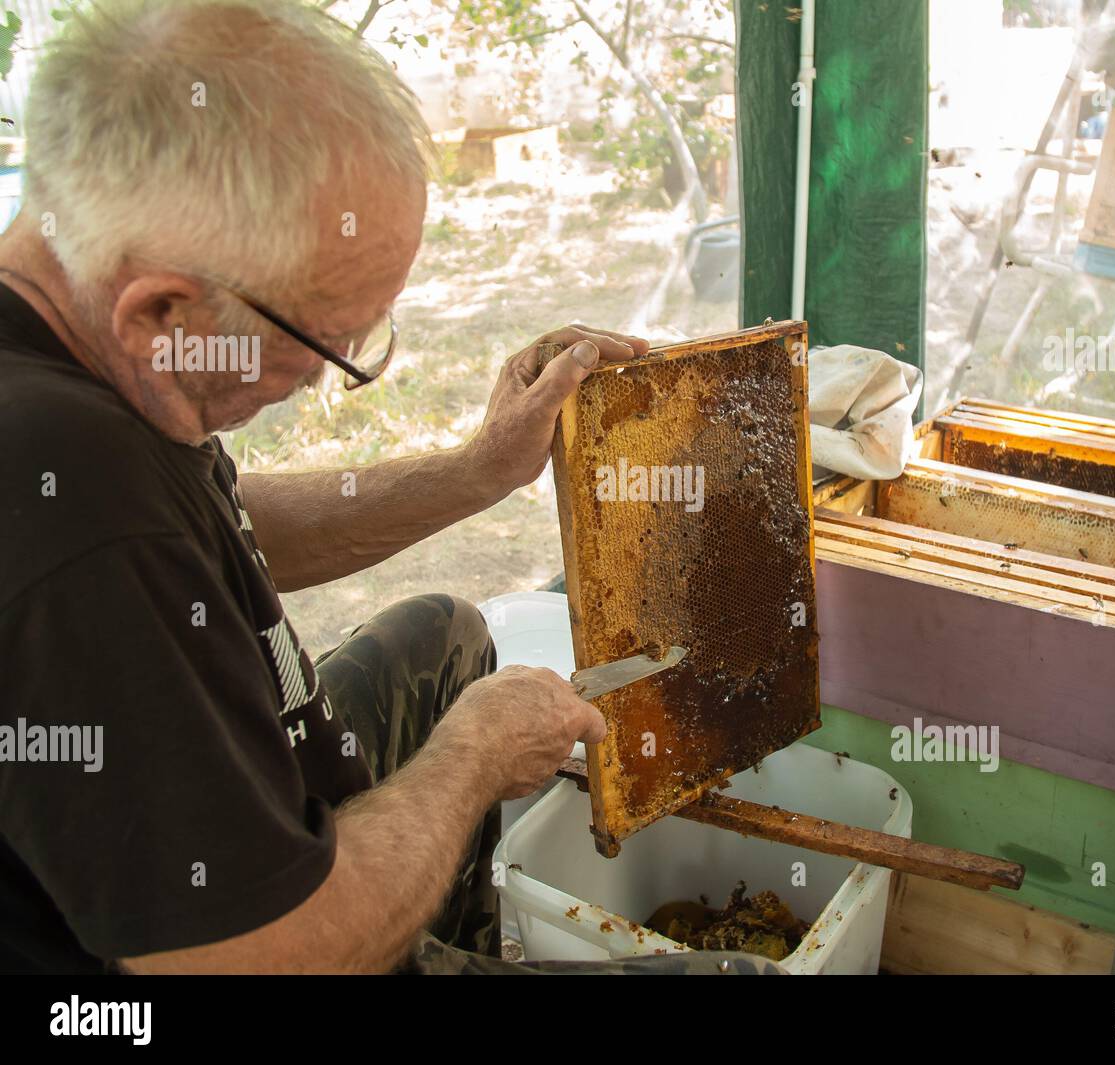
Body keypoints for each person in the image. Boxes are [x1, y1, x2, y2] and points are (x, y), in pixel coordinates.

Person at [0, 0, 780, 976]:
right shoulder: (76, 504)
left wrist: (475, 472)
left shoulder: (83, 351)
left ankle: (431, 934)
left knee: (444, 638)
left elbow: (216, 529)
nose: (336, 375)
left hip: (250, 817)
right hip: (254, 951)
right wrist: (469, 764)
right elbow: (239, 965)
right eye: (337, 342)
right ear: (159, 310)